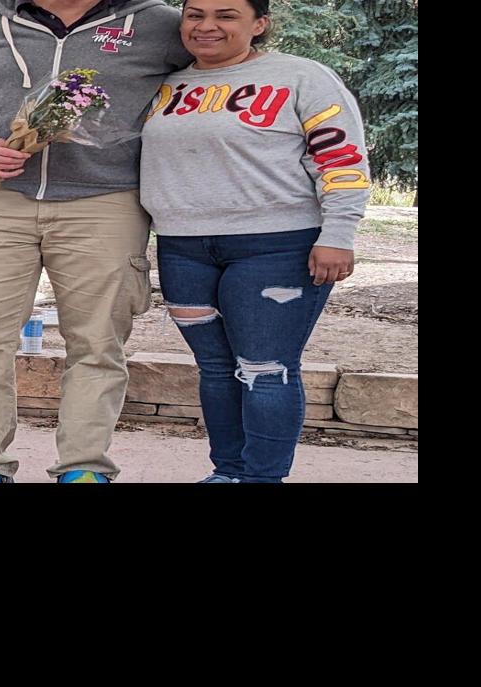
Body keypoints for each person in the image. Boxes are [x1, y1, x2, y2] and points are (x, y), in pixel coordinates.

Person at [0, 0, 191, 483]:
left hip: (105, 201)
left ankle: (84, 467)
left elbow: (209, 80)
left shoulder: (159, 23)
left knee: (97, 344)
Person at [140, 0, 370, 483]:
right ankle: (227, 472)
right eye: (195, 14)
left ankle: (262, 478)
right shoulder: (167, 85)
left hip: (277, 244)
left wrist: (339, 234)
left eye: (225, 15)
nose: (206, 26)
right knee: (216, 370)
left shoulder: (301, 76)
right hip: (183, 247)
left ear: (259, 24)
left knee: (265, 367)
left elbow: (341, 158)